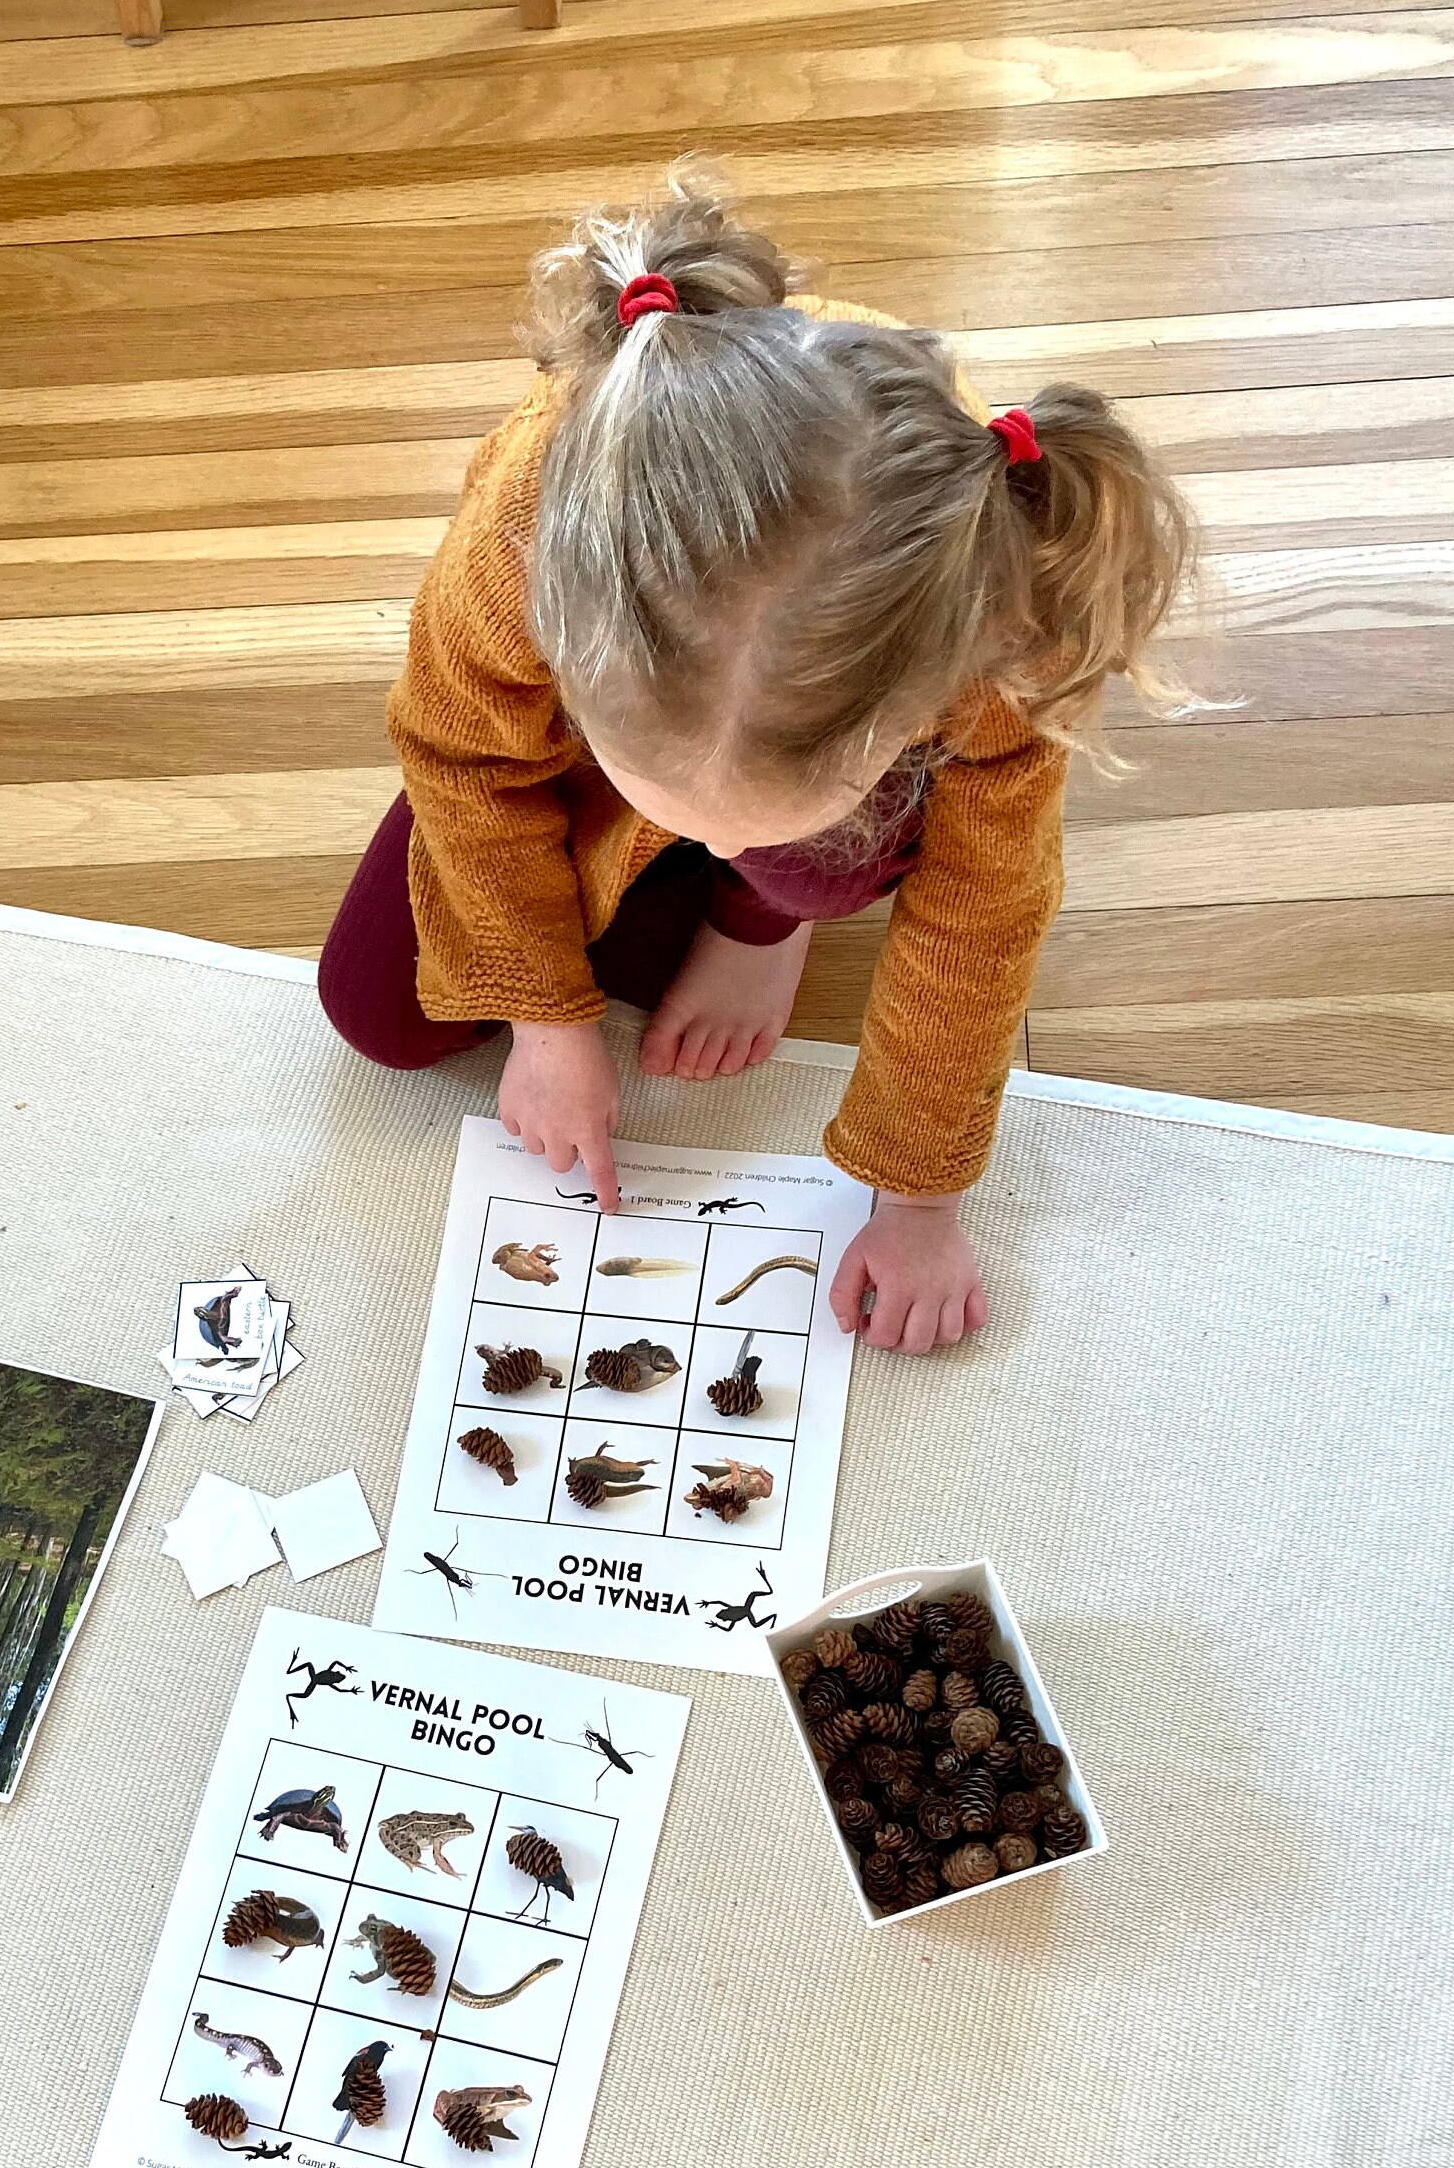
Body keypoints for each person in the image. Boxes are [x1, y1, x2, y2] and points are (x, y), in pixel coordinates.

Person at [318, 172, 1197, 1351]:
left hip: (791, 728)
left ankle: (767, 914)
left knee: (807, 867)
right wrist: (545, 1022)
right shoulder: (524, 540)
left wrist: (920, 1200)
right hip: (646, 726)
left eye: (751, 825)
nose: (725, 834)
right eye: (690, 811)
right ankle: (727, 844)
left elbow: (983, 910)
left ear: (911, 718)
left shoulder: (991, 627)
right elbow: (459, 754)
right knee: (377, 1013)